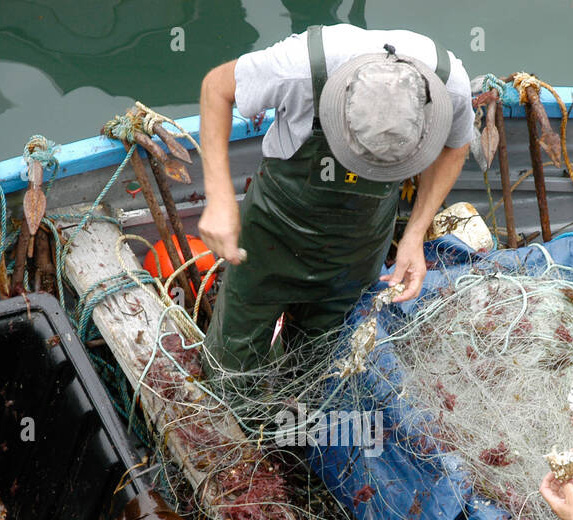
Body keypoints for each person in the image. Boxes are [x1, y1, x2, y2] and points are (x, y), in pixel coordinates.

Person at [196, 24, 475, 374]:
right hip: (272, 235)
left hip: (358, 250)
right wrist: (219, 198)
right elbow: (216, 88)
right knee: (231, 361)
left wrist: (415, 233)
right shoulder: (297, 67)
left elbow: (456, 145)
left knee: (321, 362)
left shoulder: (451, 86)